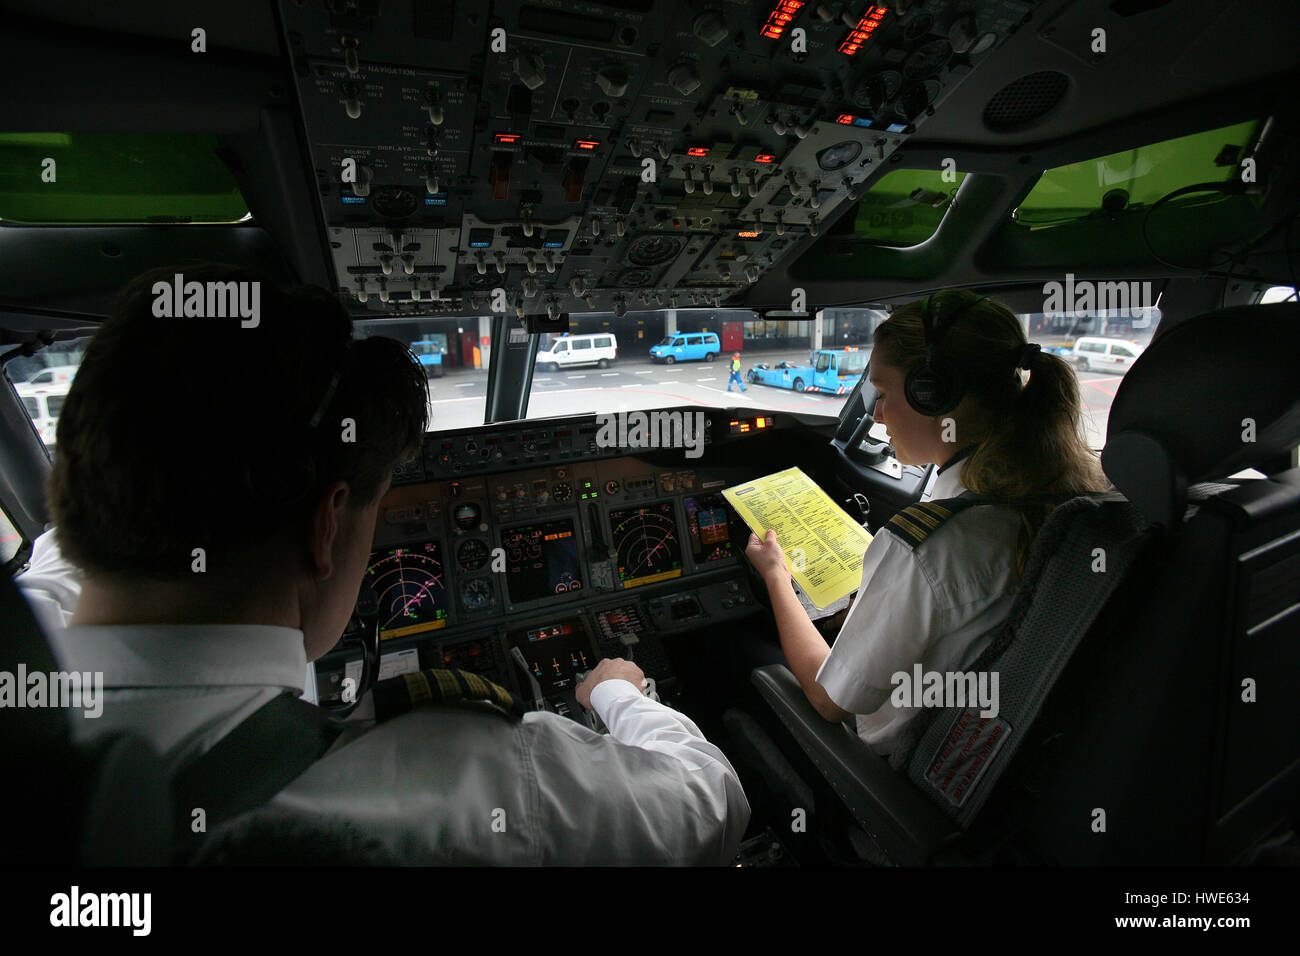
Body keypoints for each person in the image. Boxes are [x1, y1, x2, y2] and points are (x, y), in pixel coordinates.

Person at [16, 263, 749, 865]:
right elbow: (711, 802)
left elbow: (86, 533)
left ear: (77, 485)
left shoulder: (36, 612)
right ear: (329, 524)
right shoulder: (478, 788)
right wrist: (619, 694)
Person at [744, 289, 1109, 759]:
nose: (875, 414)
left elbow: (828, 700)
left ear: (933, 394)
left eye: (884, 393)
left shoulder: (933, 544)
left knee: (748, 659)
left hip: (900, 786)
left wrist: (776, 575)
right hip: (1016, 759)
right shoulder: (1082, 498)